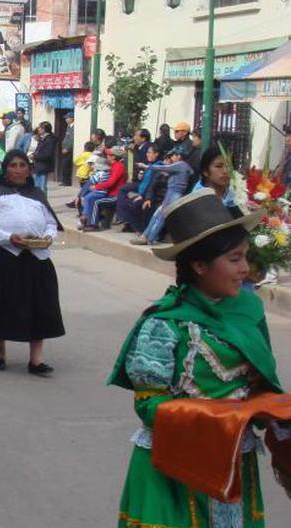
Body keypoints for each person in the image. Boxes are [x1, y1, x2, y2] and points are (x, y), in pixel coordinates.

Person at [107, 189, 278, 528]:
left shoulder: (248, 310)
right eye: (234, 259)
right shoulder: (164, 324)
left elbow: (260, 382)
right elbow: (148, 406)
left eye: (246, 257)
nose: (246, 269)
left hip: (233, 461)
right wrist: (215, 419)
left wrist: (270, 411)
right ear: (199, 265)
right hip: (175, 466)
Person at [0, 150, 65, 376]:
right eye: (13, 165)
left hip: (36, 258)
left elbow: (50, 224)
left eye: (22, 165)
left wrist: (47, 238)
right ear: (5, 169)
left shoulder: (37, 194)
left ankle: (36, 360)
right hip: (2, 258)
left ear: (29, 169)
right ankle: (0, 353)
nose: (18, 170)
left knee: (39, 305)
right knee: (1, 304)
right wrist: (9, 238)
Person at [132, 147, 194, 245]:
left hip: (174, 193)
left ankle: (150, 238)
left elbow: (163, 168)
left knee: (161, 216)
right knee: (158, 215)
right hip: (173, 193)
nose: (172, 157)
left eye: (173, 155)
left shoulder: (180, 165)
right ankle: (145, 236)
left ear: (179, 156)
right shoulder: (185, 166)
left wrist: (145, 166)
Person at [80, 146, 128, 231]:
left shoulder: (119, 167)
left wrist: (96, 187)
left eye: (109, 155)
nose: (107, 156)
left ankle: (93, 225)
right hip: (109, 193)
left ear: (113, 156)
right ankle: (87, 221)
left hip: (115, 196)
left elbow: (110, 182)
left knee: (96, 202)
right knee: (89, 198)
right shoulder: (111, 166)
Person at [31, 121, 57, 194]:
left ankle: (43, 203)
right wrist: (34, 154)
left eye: (40, 128)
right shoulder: (43, 139)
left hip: (43, 166)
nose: (38, 129)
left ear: (44, 129)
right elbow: (38, 150)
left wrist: (35, 156)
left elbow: (47, 154)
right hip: (38, 165)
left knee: (41, 187)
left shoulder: (49, 140)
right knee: (36, 187)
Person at [59, 112, 75, 186]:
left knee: (66, 166)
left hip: (69, 150)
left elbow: (72, 140)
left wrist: (67, 149)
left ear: (72, 118)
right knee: (64, 165)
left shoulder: (73, 127)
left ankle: (67, 181)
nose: (66, 119)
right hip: (64, 149)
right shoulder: (69, 126)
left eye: (67, 118)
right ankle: (64, 180)